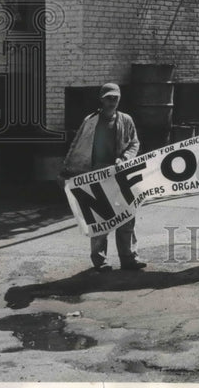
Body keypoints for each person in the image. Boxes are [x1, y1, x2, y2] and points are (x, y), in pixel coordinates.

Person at [60, 82, 147, 272]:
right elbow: (77, 145)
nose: (112, 102)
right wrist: (68, 169)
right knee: (100, 220)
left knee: (127, 216)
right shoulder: (90, 121)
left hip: (120, 175)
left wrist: (124, 158)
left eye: (115, 98)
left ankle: (129, 258)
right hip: (96, 177)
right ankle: (100, 261)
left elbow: (134, 143)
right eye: (109, 98)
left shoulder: (126, 120)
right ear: (101, 99)